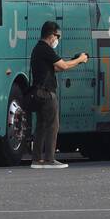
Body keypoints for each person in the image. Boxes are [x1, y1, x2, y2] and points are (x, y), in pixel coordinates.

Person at [28, 21, 89, 169]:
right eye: (57, 36)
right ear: (50, 35)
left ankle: (37, 159)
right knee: (52, 125)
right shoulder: (45, 49)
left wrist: (76, 62)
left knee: (41, 126)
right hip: (47, 94)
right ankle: (49, 159)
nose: (58, 39)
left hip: (38, 93)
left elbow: (55, 68)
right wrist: (80, 59)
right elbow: (64, 65)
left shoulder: (37, 49)